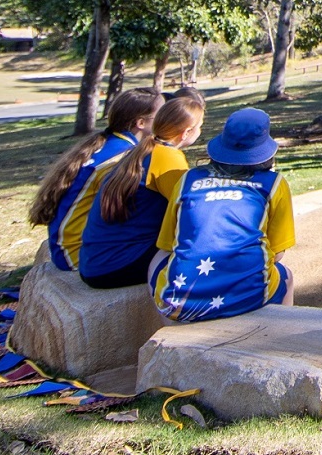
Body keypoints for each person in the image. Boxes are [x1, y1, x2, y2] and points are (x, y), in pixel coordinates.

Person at [153, 107, 296, 321]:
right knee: (287, 276)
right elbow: (277, 253)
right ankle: (279, 334)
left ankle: (167, 322)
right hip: (249, 297)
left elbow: (167, 244)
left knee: (157, 261)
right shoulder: (273, 184)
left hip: (182, 298)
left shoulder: (188, 180)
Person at [73, 95, 206, 289]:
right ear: (186, 133)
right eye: (200, 126)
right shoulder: (168, 158)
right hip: (117, 265)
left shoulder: (143, 150)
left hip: (94, 262)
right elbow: (191, 209)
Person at [30, 89, 161, 271]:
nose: (167, 117)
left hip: (66, 247)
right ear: (141, 123)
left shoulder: (110, 144)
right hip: (78, 254)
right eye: (162, 113)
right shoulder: (123, 156)